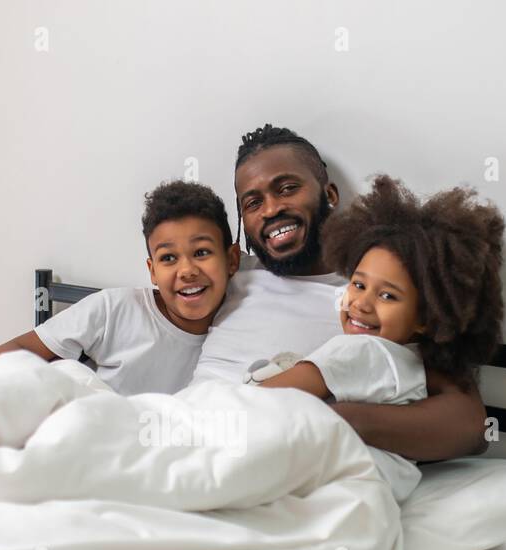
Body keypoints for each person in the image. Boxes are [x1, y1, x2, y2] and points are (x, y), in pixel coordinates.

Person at [193, 124, 490, 460]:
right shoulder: (229, 274)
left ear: (329, 195)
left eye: (287, 188)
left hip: (257, 450)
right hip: (182, 432)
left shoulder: (372, 302)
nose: (271, 209)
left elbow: (468, 425)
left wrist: (333, 421)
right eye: (252, 203)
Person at [248, 175, 505, 502]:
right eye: (357, 285)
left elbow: (255, 405)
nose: (361, 303)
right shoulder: (400, 367)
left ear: (427, 319)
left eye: (387, 295)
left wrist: (342, 420)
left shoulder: (363, 352)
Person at [0, 180, 239, 395]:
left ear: (232, 260)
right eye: (168, 258)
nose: (187, 271)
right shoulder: (114, 310)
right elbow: (7, 355)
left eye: (202, 252)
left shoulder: (244, 331)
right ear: (152, 271)